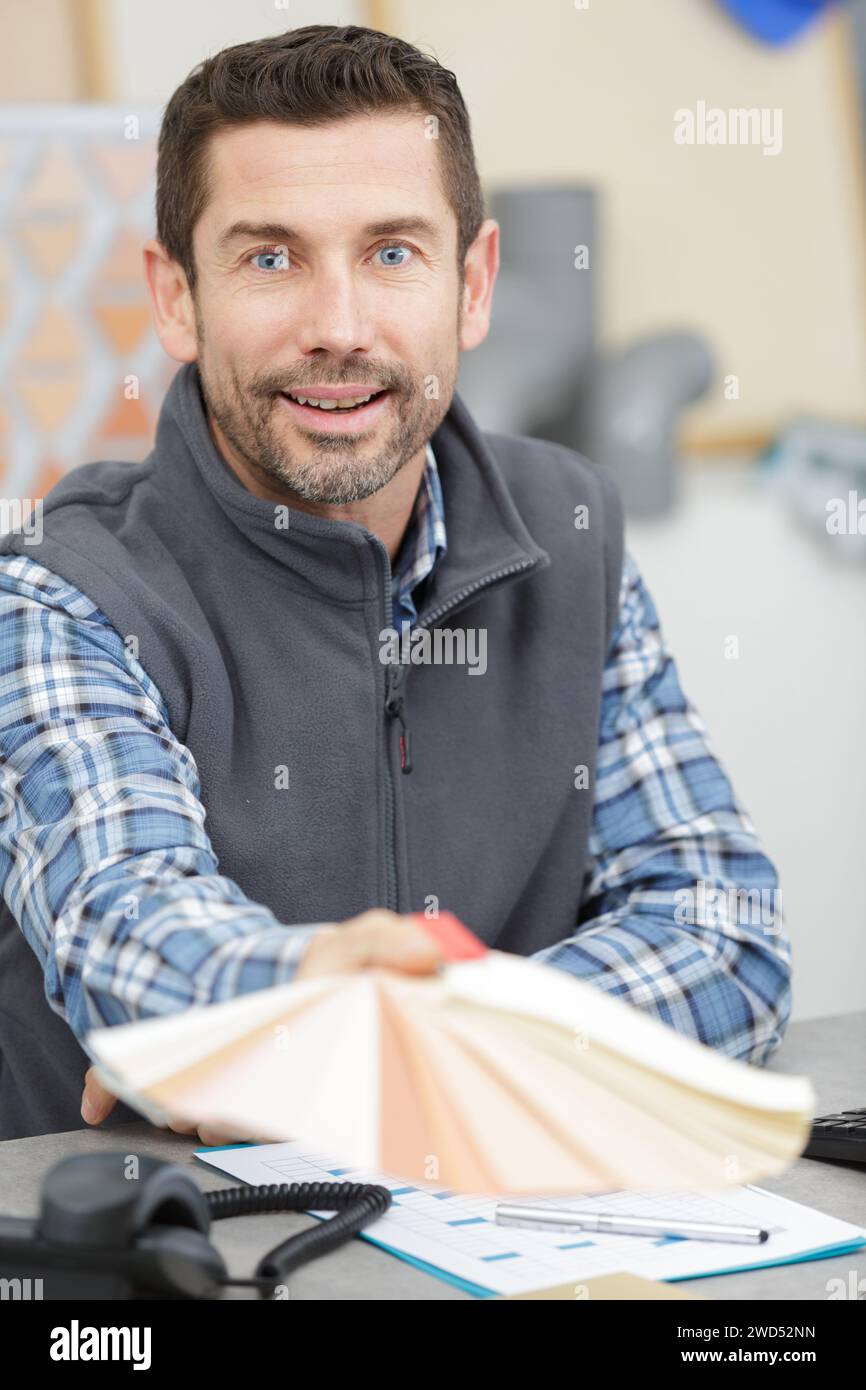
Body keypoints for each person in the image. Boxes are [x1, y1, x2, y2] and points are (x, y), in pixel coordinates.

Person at [0, 25, 790, 1142]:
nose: (338, 328)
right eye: (269, 258)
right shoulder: (61, 597)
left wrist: (400, 1041)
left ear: (471, 285)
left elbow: (728, 932)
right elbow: (136, 943)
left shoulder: (571, 535)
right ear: (175, 298)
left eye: (391, 253)